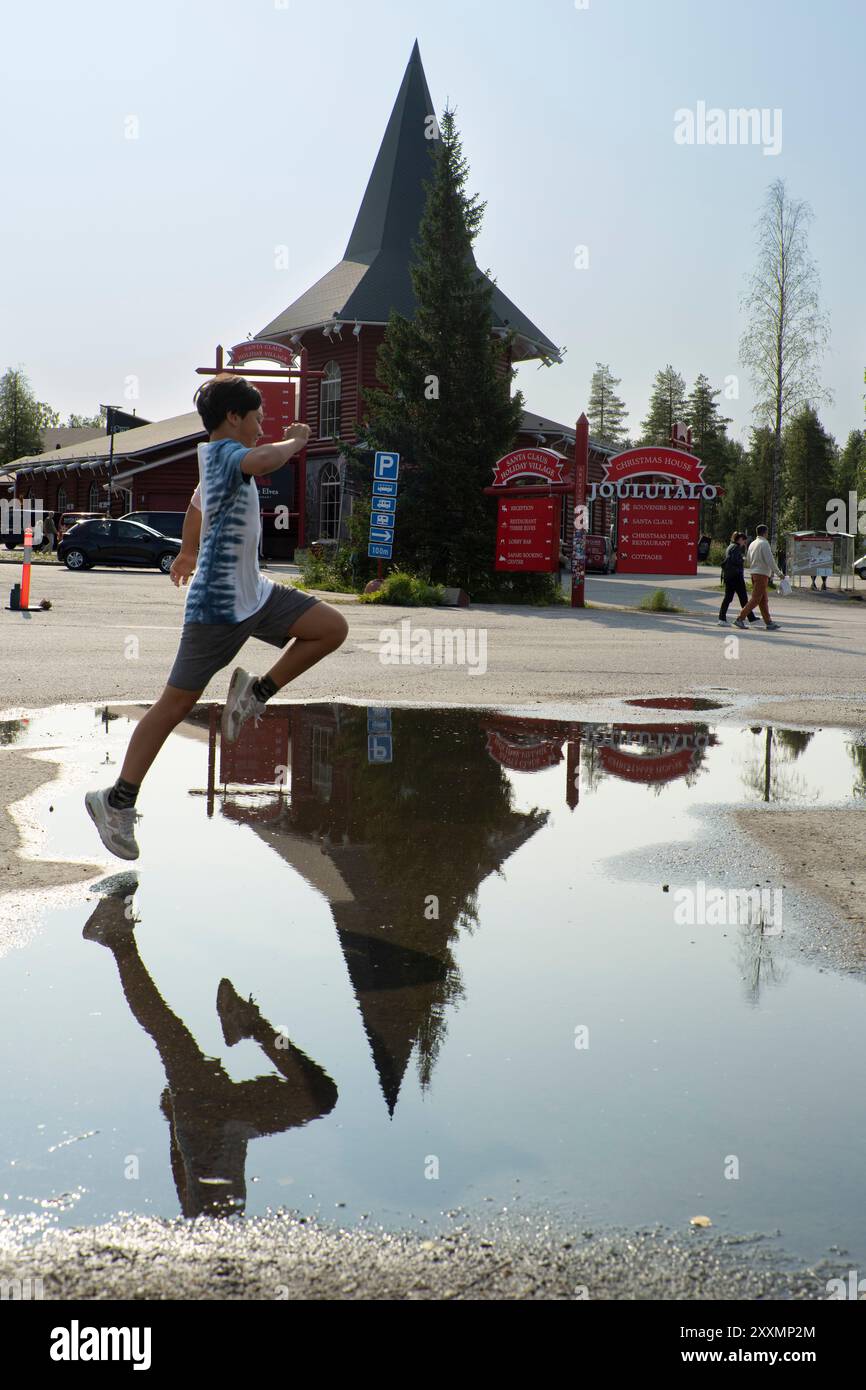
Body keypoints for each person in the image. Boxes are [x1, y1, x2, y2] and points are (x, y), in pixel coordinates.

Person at [85, 374, 349, 860]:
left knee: (331, 628)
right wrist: (295, 440)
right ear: (234, 418)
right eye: (258, 419)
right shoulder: (227, 454)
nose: (261, 428)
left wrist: (186, 552)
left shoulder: (216, 469)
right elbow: (265, 458)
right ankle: (115, 800)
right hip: (217, 609)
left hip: (257, 595)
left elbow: (194, 506)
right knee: (173, 706)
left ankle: (255, 692)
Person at [735, 524, 783, 631]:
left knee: (763, 600)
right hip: (762, 574)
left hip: (754, 573)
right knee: (756, 599)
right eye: (767, 532)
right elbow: (770, 560)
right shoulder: (764, 543)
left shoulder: (752, 544)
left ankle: (768, 622)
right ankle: (740, 618)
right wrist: (779, 573)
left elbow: (748, 559)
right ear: (765, 532)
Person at [718, 531, 758, 626]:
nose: (745, 542)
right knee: (742, 597)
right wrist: (743, 559)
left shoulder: (730, 546)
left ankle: (722, 618)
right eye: (744, 540)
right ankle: (748, 617)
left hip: (729, 576)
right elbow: (735, 560)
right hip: (736, 576)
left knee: (729, 598)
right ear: (740, 539)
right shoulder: (736, 548)